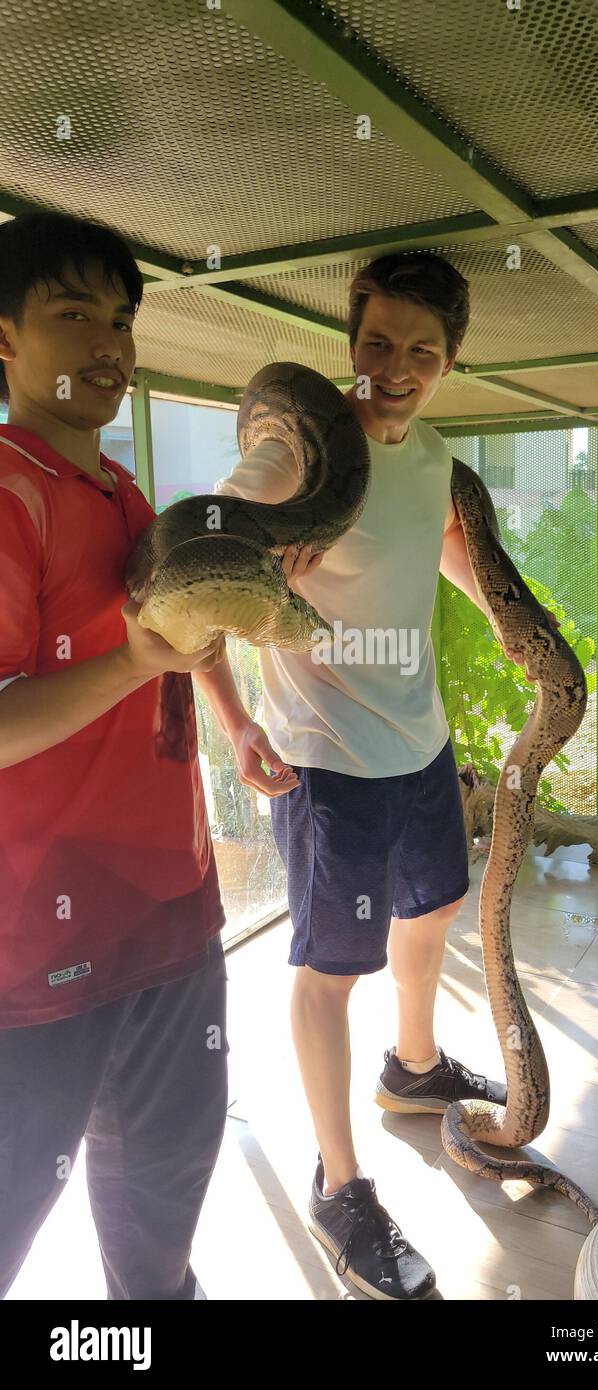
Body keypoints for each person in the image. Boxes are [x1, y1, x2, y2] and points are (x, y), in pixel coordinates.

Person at [215, 251, 559, 1301]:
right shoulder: (294, 454)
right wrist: (233, 714)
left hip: (418, 745)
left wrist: (507, 614)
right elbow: (198, 550)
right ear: (348, 340)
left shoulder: (436, 456)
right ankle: (338, 1182)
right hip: (328, 765)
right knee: (331, 975)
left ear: (449, 361)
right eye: (373, 344)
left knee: (436, 907)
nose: (392, 370)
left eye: (419, 351)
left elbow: (426, 544)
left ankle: (410, 1066)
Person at [0, 210, 235, 1300]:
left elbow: (167, 649)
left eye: (122, 319)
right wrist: (142, 660)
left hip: (172, 917)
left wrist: (227, 694)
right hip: (40, 953)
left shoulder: (123, 491)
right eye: (73, 315)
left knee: (158, 1221)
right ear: (5, 339)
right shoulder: (12, 494)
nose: (109, 345)